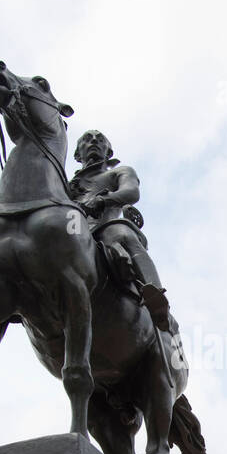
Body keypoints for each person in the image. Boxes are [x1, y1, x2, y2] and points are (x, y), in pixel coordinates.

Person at [68, 130, 171, 330]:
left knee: (121, 232)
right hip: (70, 233)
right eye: (87, 139)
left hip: (104, 228)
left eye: (100, 140)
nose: (94, 142)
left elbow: (131, 192)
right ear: (77, 154)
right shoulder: (67, 185)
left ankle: (155, 295)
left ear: (109, 151)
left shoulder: (118, 172)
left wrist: (102, 200)